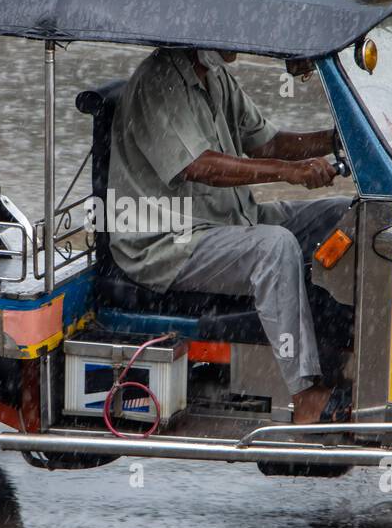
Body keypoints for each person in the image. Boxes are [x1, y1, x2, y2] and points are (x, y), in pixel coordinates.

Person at [107, 47, 351, 424]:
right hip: (167, 243)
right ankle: (305, 395)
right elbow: (200, 165)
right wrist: (288, 172)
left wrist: (339, 139)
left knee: (343, 214)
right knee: (275, 246)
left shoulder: (215, 75)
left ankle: (351, 347)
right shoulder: (159, 81)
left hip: (226, 218)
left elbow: (266, 144)